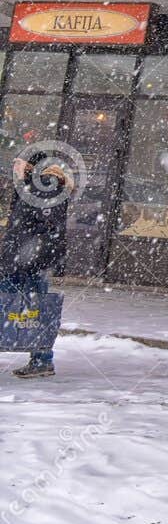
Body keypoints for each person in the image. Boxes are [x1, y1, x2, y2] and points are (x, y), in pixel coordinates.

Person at [0, 148, 75, 379]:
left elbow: (46, 227)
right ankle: (40, 358)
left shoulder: (44, 188)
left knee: (34, 310)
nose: (15, 167)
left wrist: (29, 255)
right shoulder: (29, 188)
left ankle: (42, 359)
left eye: (19, 163)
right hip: (19, 260)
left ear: (32, 168)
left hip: (30, 262)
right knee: (24, 309)